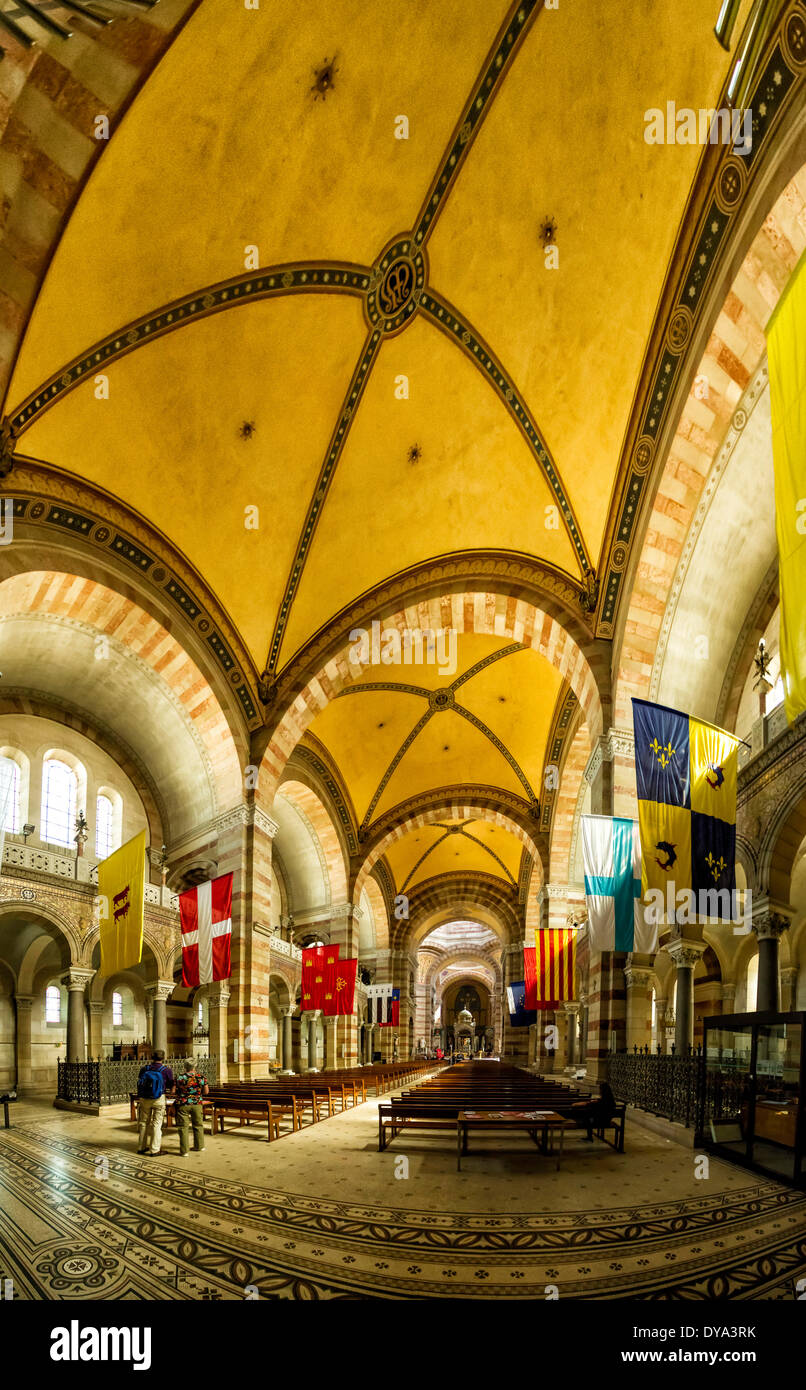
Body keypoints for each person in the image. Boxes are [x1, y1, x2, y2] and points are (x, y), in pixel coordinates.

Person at [136, 1049, 174, 1156]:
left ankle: (141, 1147)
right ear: (163, 1058)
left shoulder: (145, 1068)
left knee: (143, 1123)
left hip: (144, 1098)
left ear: (152, 1057)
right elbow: (171, 1085)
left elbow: (140, 1080)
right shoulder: (166, 1070)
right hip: (159, 1098)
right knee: (157, 1124)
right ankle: (155, 1149)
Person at [173, 1060, 209, 1156]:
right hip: (197, 1103)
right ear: (195, 1066)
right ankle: (199, 1146)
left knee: (183, 1127)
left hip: (183, 1103)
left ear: (185, 1066)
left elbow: (173, 1091)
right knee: (198, 1125)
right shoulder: (201, 1077)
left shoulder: (180, 1077)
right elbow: (206, 1092)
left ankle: (185, 1151)